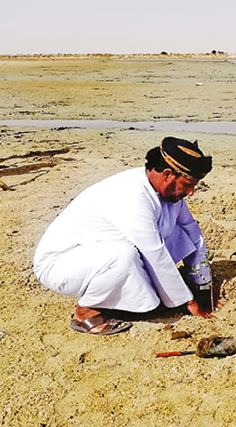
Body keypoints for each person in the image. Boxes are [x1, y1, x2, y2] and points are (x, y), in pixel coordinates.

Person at [34, 137, 219, 335]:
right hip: (61, 264)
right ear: (167, 174)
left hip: (97, 253)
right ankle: (85, 312)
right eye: (188, 185)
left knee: (177, 231)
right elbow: (153, 252)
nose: (191, 193)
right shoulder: (132, 194)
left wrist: (202, 284)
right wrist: (187, 301)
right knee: (124, 255)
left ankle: (140, 296)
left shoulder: (168, 194)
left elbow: (191, 229)